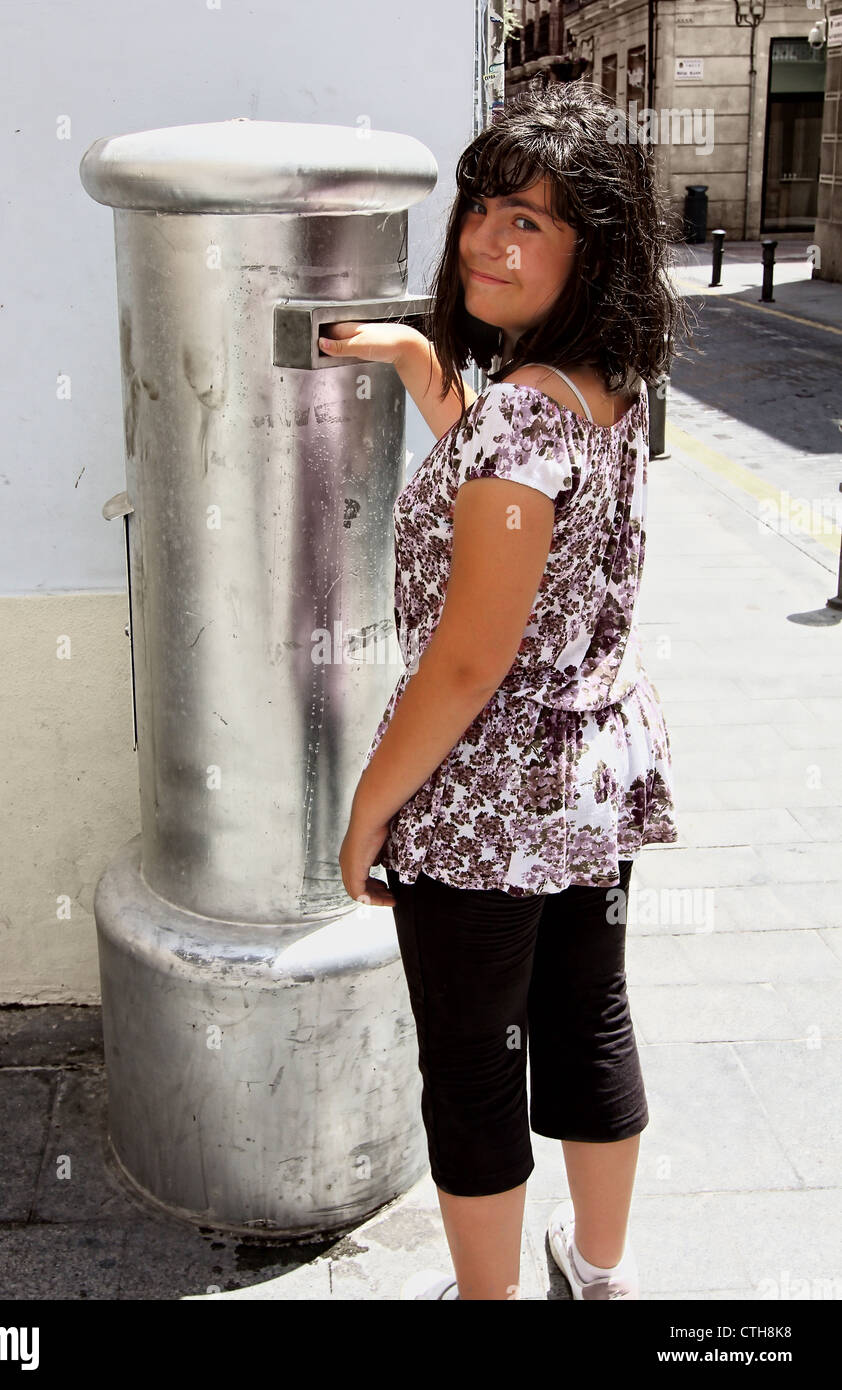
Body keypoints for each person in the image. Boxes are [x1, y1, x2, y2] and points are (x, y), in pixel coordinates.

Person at [323, 73, 697, 1301]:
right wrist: (428, 365)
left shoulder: (522, 426)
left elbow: (472, 655)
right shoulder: (604, 386)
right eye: (485, 205)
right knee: (586, 1022)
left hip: (483, 800)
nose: (489, 235)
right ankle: (598, 1271)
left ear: (595, 250)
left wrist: (374, 803)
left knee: (475, 1068)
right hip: (587, 781)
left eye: (531, 220)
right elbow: (507, 486)